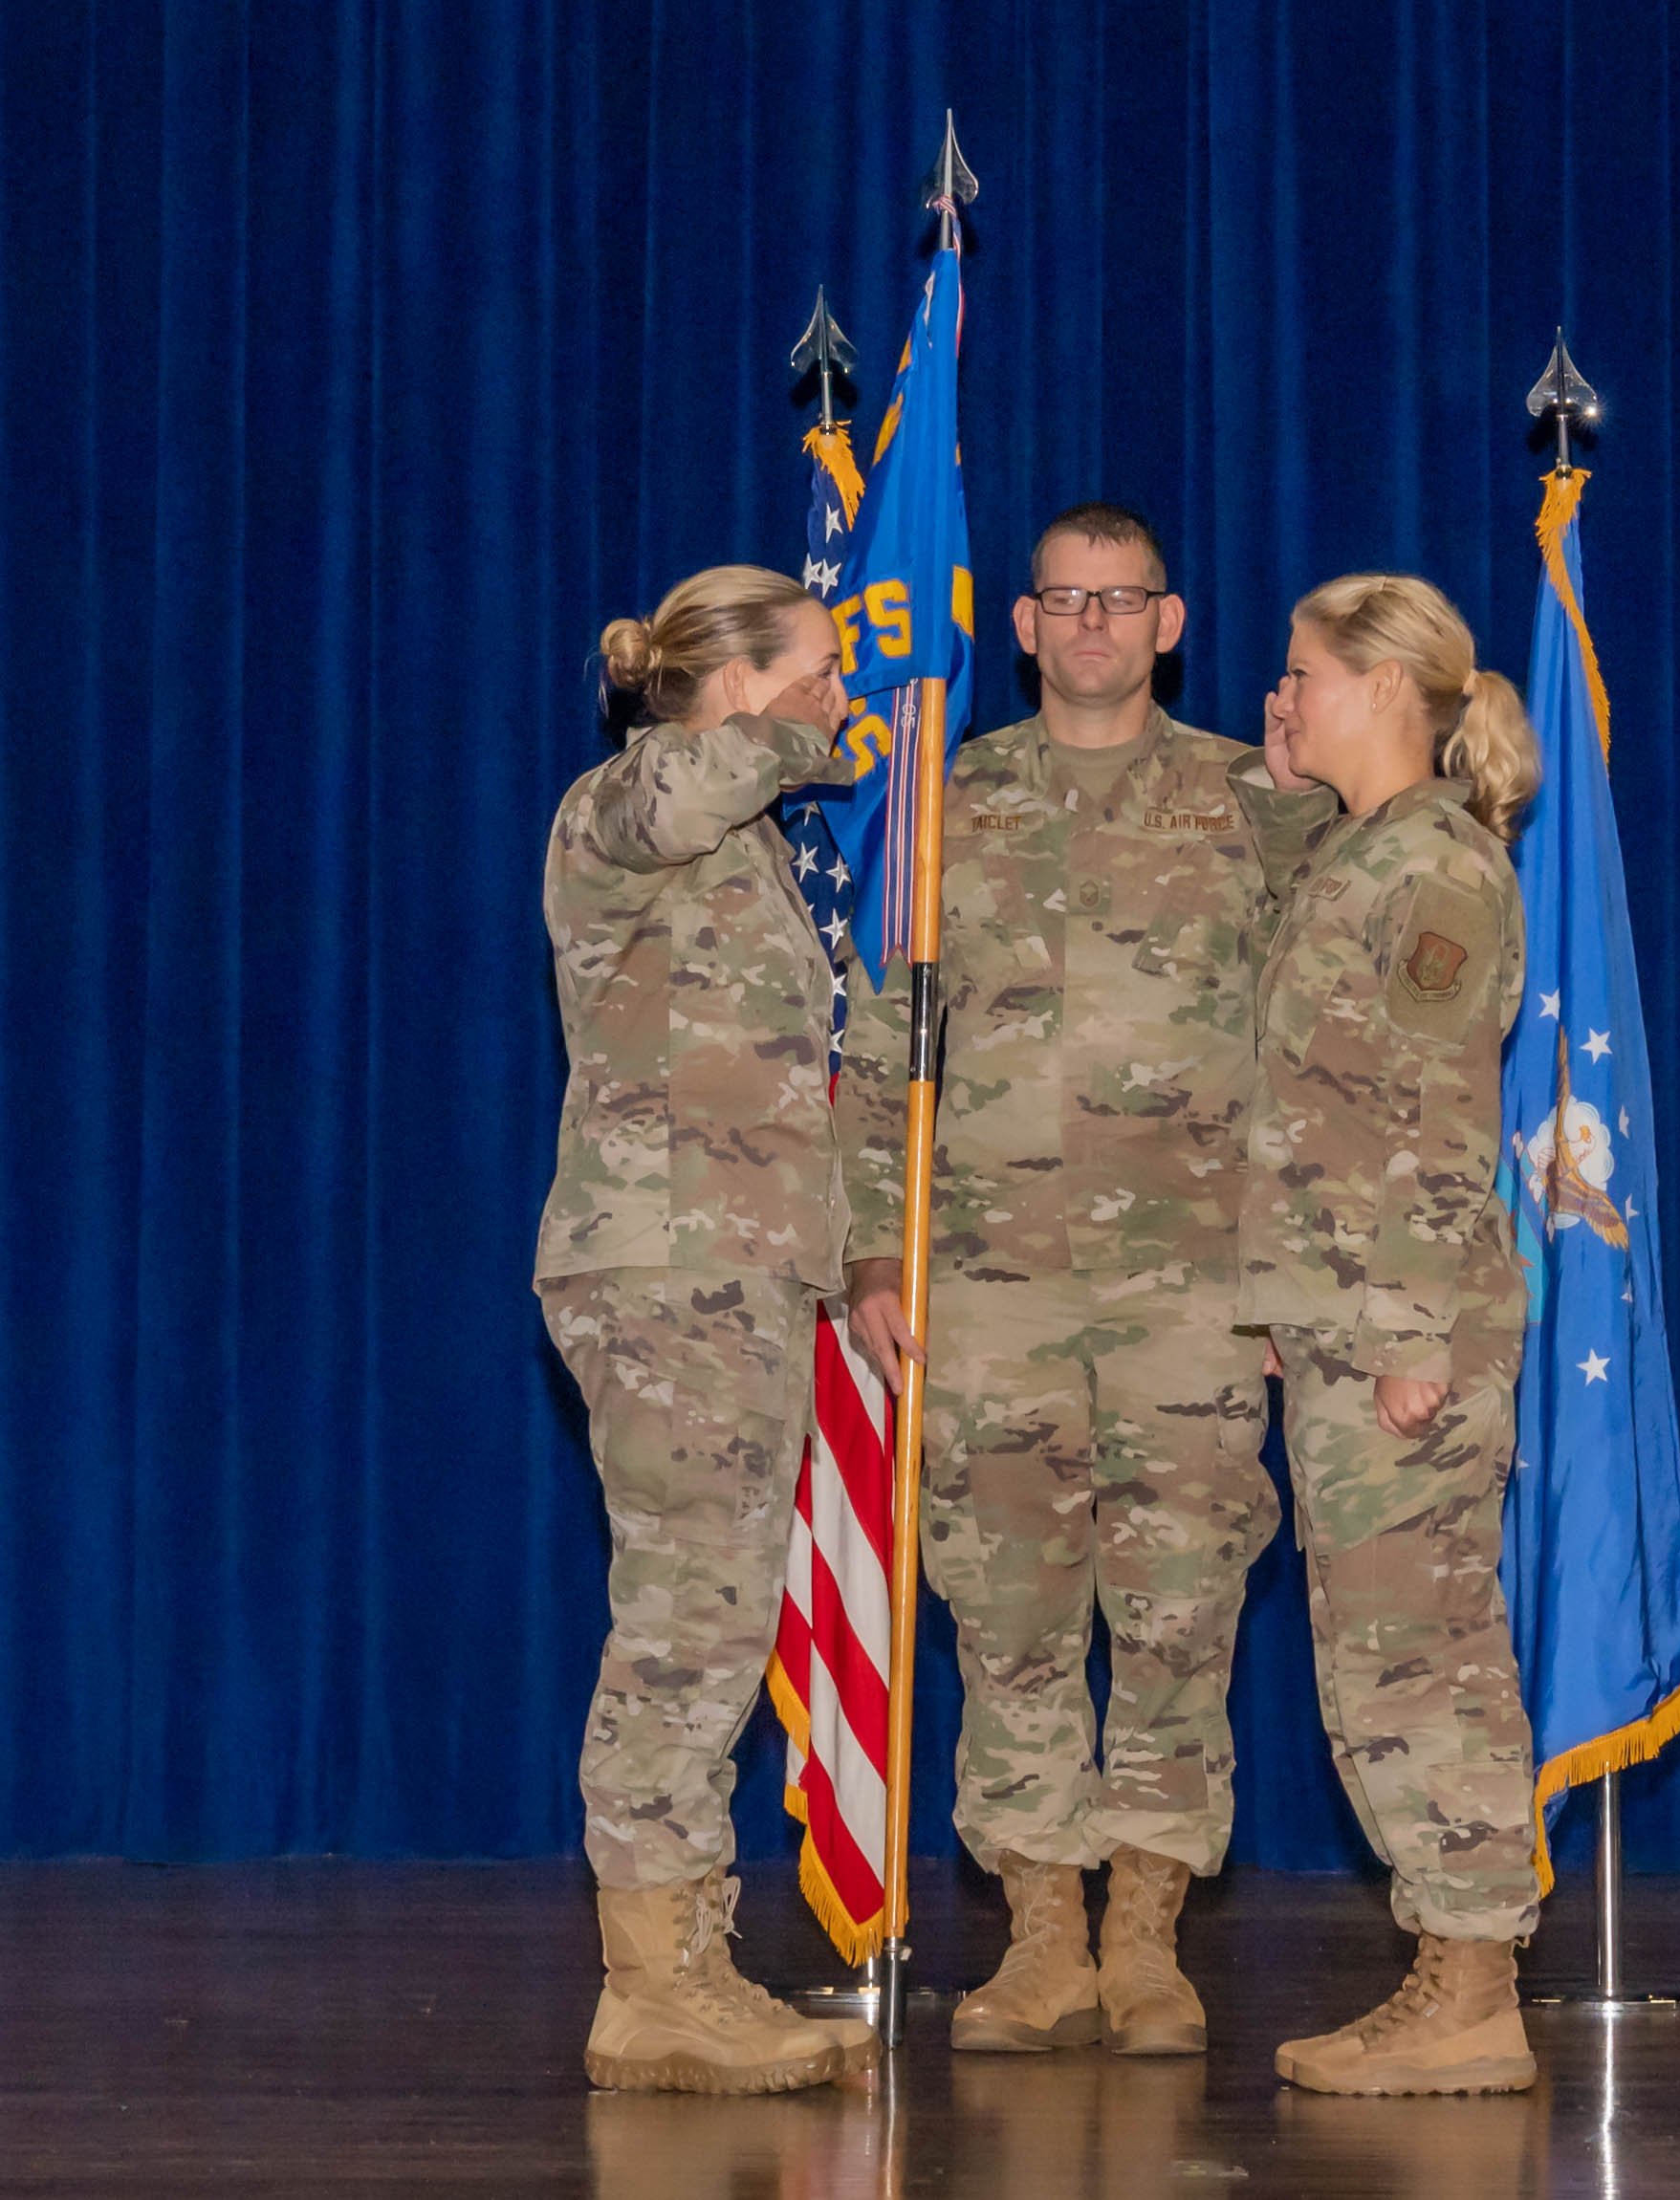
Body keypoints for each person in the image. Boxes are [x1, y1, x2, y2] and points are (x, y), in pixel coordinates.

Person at [837, 505, 1332, 2057]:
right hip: (985, 1289)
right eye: (1068, 599)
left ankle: (1147, 1941)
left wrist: (1290, 1272)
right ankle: (1042, 1933)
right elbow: (872, 1044)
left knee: (1180, 1612)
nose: (1097, 624)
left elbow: (1329, 1040)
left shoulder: (1257, 806)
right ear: (1028, 624)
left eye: (1124, 599)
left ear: (1171, 622)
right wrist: (865, 1246)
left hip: (1195, 1291)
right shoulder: (947, 800)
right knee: (1007, 1613)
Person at [536, 564, 876, 2096]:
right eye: (813, 669)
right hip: (663, 1267)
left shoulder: (758, 860)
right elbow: (681, 785)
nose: (836, 696)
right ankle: (651, 1982)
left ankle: (682, 1959)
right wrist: (808, 735)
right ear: (730, 680)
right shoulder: (622, 803)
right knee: (687, 1621)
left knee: (715, 1615)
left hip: (740, 1276)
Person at [1239, 572, 1545, 2097]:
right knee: (1376, 1661)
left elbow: (1433, 1117)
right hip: (1349, 1318)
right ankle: (1454, 1966)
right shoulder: (1368, 852)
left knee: (1423, 1656)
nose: (1280, 695)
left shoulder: (1441, 869)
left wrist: (1415, 1328)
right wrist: (1311, 1303)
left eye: (1303, 673)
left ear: (1381, 683)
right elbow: (1319, 1110)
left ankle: (1477, 1986)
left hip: (1405, 1330)